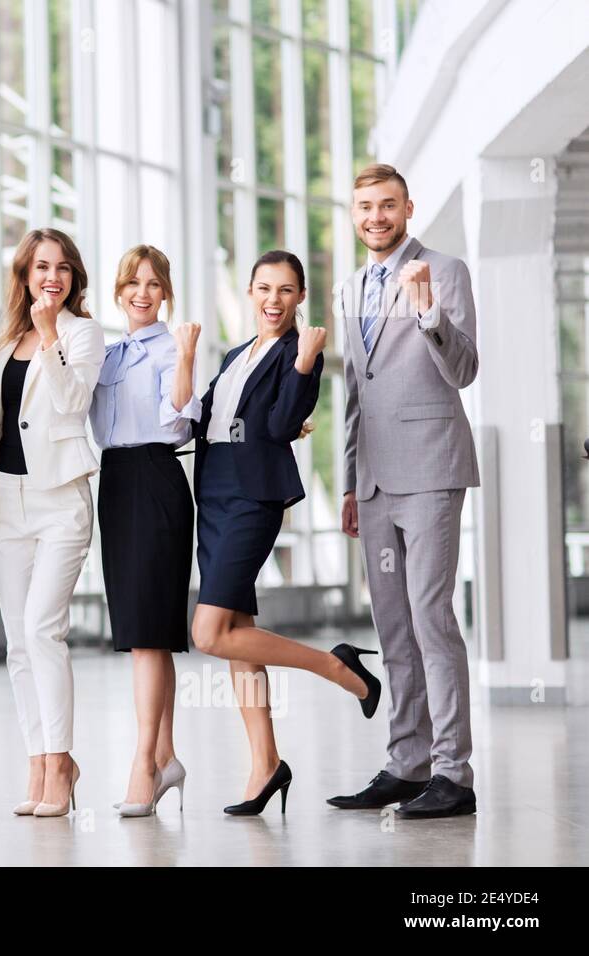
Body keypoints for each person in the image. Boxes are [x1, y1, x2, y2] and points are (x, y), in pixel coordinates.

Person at [189, 249, 378, 816]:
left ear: (299, 299)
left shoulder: (303, 351)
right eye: (265, 288)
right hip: (214, 493)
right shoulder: (233, 355)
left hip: (253, 496)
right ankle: (266, 764)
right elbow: (201, 421)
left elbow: (274, 427)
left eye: (286, 290)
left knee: (208, 633)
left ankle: (334, 664)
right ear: (250, 292)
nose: (274, 300)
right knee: (237, 633)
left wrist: (303, 364)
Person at [328, 164, 480, 819]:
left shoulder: (444, 271)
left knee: (431, 619)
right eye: (365, 206)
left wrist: (427, 313)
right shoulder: (350, 287)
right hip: (377, 481)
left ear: (407, 208)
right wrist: (350, 483)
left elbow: (465, 369)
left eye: (387, 205)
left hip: (432, 470)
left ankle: (453, 773)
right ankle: (407, 763)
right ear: (355, 212)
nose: (375, 217)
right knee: (393, 628)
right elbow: (355, 393)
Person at [0, 228, 102, 817]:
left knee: (42, 631)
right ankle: (38, 759)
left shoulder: (82, 334)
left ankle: (61, 761)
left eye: (62, 268)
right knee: (16, 643)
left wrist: (51, 333)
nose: (52, 277)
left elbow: (73, 403)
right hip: (5, 501)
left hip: (60, 501)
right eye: (41, 267)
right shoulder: (3, 343)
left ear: (73, 278)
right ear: (24, 276)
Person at [87, 245, 198, 817]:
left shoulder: (173, 348)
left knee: (149, 635)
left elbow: (179, 419)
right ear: (118, 290)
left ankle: (144, 763)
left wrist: (184, 357)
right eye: (133, 281)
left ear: (166, 292)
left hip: (157, 477)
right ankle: (168, 755)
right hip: (115, 483)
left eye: (154, 283)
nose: (143, 292)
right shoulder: (104, 353)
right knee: (142, 629)